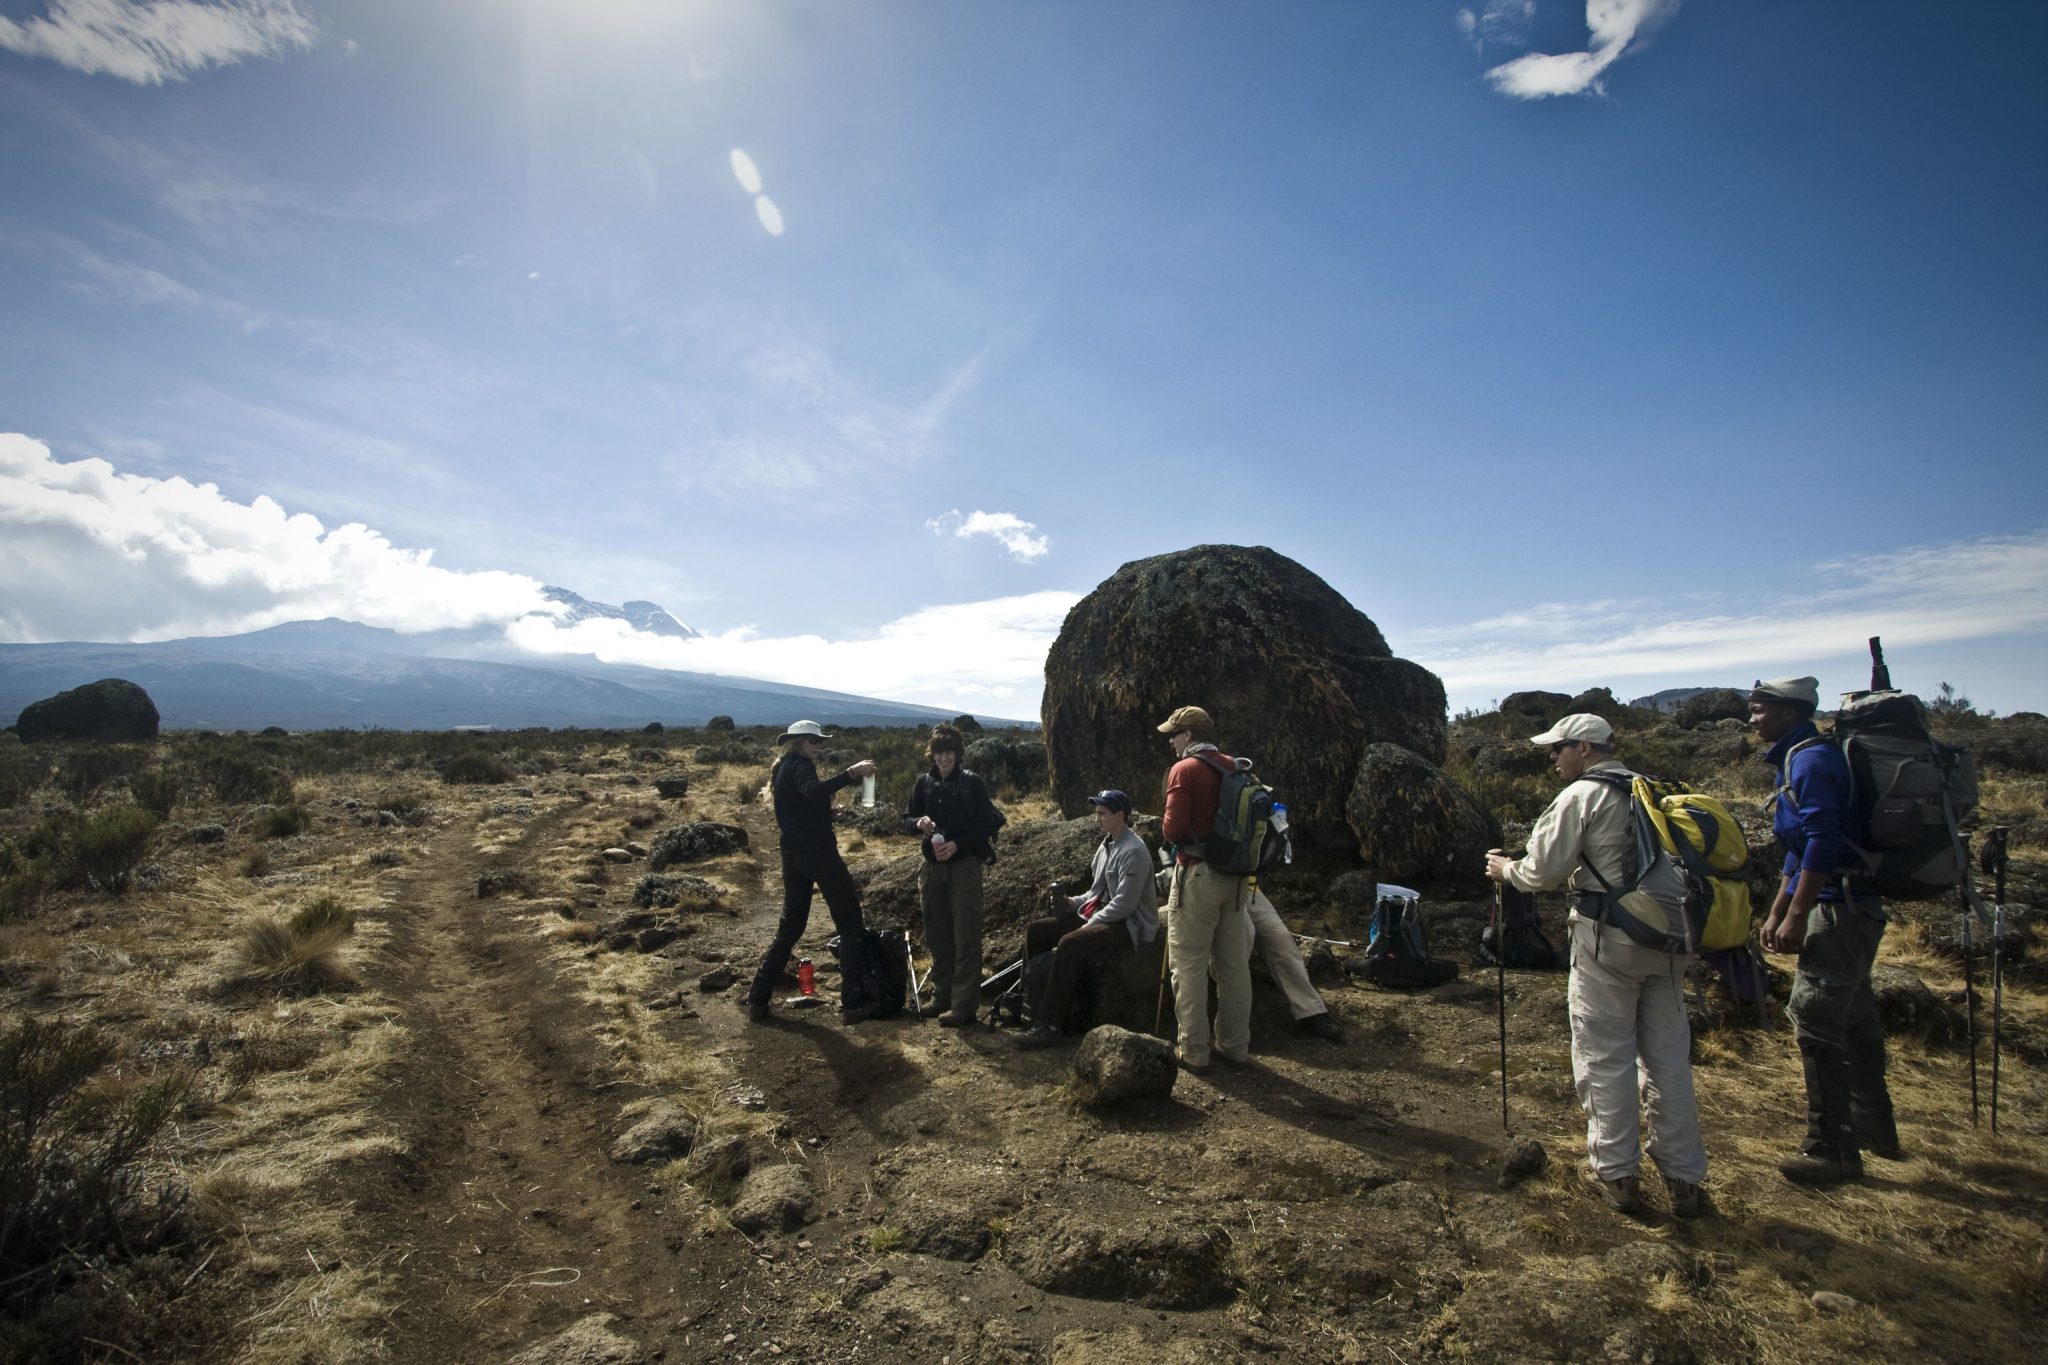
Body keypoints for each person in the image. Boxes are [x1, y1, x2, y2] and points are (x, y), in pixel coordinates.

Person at [1483, 713, 1708, 1218]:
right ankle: (1684, 1178)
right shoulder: (1652, 789)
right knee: (1668, 1060)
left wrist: (1506, 869)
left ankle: (1617, 1173)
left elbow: (1541, 872)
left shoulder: (1582, 795)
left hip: (1611, 939)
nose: (1553, 758)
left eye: (1558, 748)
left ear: (1584, 748)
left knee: (1605, 1053)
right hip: (1673, 938)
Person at [1751, 675, 1901, 1184]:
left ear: (1790, 713)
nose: (1753, 718)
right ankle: (1875, 1128)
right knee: (1853, 1011)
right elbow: (1798, 846)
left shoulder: (1811, 760)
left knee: (1815, 1016)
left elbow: (1823, 838)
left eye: (1760, 709)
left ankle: (1831, 1148)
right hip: (1842, 902)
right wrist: (1778, 909)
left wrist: (1798, 914)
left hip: (1841, 906)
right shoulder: (1799, 756)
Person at [745, 720, 879, 1026]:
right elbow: (815, 790)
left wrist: (825, 814)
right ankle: (853, 1004)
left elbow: (802, 803)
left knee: (790, 928)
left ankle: (758, 999)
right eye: (814, 741)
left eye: (821, 742)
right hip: (819, 855)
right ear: (798, 743)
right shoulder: (800, 766)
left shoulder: (784, 767)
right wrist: (851, 773)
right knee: (850, 924)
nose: (819, 746)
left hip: (792, 857)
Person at [1015, 789, 1160, 1049]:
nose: (1097, 819)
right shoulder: (1106, 846)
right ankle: (1030, 1004)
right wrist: (1074, 903)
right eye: (1097, 813)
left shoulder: (1134, 851)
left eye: (1103, 814)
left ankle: (1049, 1025)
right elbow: (1096, 893)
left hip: (1127, 925)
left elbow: (1124, 905)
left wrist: (1089, 922)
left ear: (1120, 815)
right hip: (1101, 915)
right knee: (1037, 931)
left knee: (1070, 943)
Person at [1158, 705, 1254, 1073]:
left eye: (1174, 734)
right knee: (1233, 967)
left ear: (1189, 735)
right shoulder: (1235, 766)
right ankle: (1235, 1046)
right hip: (1235, 879)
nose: (1171, 741)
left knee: (1188, 965)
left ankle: (1195, 1052)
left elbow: (1172, 830)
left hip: (1197, 875)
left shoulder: (1184, 770)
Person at [902, 723, 1003, 1027]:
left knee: (966, 934)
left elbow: (988, 824)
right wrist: (917, 823)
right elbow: (906, 818)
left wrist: (958, 844)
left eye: (949, 752)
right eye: (939, 752)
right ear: (932, 754)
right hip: (932, 868)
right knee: (937, 934)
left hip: (964, 867)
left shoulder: (972, 783)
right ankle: (941, 996)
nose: (944, 758)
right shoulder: (924, 783)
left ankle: (963, 1005)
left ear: (958, 754)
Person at [1245, 889, 1345, 1041]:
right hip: (1214, 889)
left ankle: (1310, 1011)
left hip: (1249, 889)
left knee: (1281, 940)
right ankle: (1232, 1026)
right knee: (1238, 944)